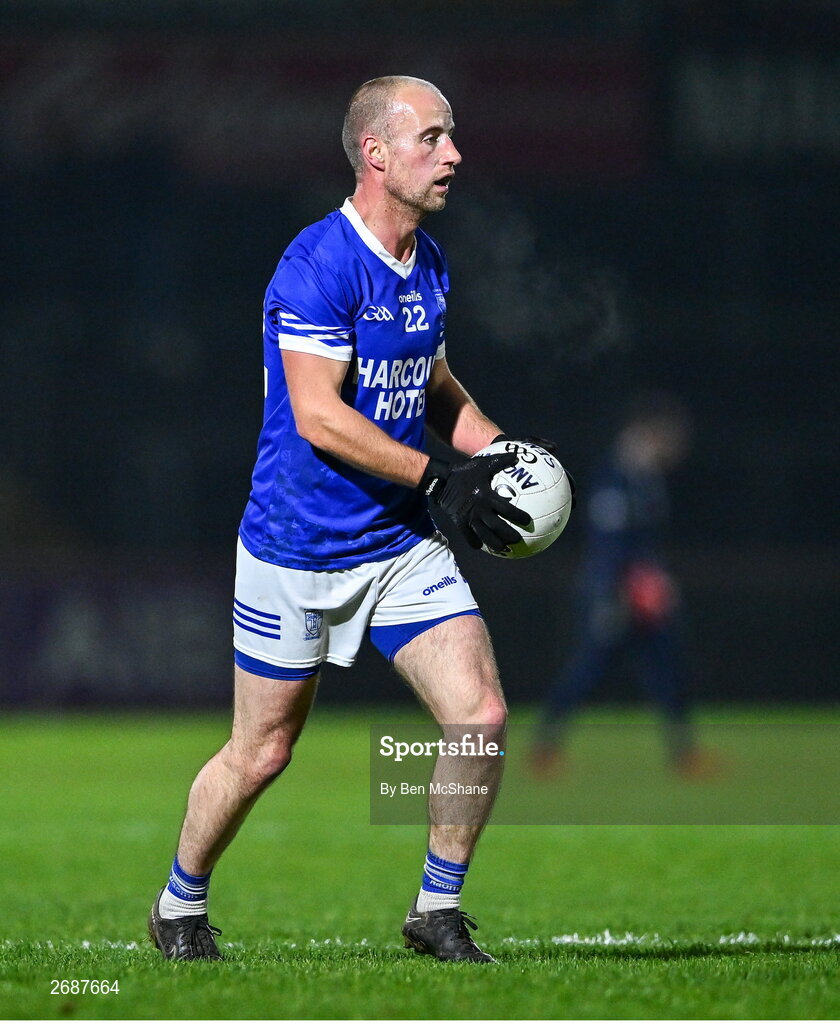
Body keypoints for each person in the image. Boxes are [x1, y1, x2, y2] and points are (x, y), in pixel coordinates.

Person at [148, 76, 563, 964]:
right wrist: (439, 482)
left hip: (397, 545)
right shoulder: (316, 263)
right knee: (261, 754)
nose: (453, 154)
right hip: (296, 546)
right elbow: (318, 416)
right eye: (433, 138)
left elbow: (437, 391)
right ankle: (178, 903)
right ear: (376, 154)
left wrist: (500, 460)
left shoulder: (431, 263)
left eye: (452, 137)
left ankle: (435, 912)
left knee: (480, 715)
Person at [532, 393, 714, 778]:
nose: (675, 446)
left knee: (669, 670)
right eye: (670, 437)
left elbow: (645, 543)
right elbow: (608, 544)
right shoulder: (614, 476)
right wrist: (612, 593)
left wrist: (657, 579)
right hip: (613, 594)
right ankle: (544, 749)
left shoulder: (646, 478)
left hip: (643, 595)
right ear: (648, 433)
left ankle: (685, 755)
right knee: (587, 671)